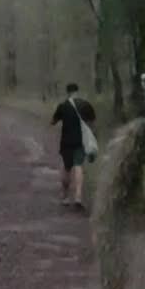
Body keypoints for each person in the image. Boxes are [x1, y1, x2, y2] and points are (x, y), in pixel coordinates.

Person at [51, 82, 96, 210]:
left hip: (66, 141)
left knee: (66, 168)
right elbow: (92, 123)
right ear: (77, 91)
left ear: (67, 92)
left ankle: (65, 197)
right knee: (78, 166)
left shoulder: (63, 105)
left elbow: (53, 121)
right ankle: (78, 197)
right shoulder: (85, 105)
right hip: (80, 141)